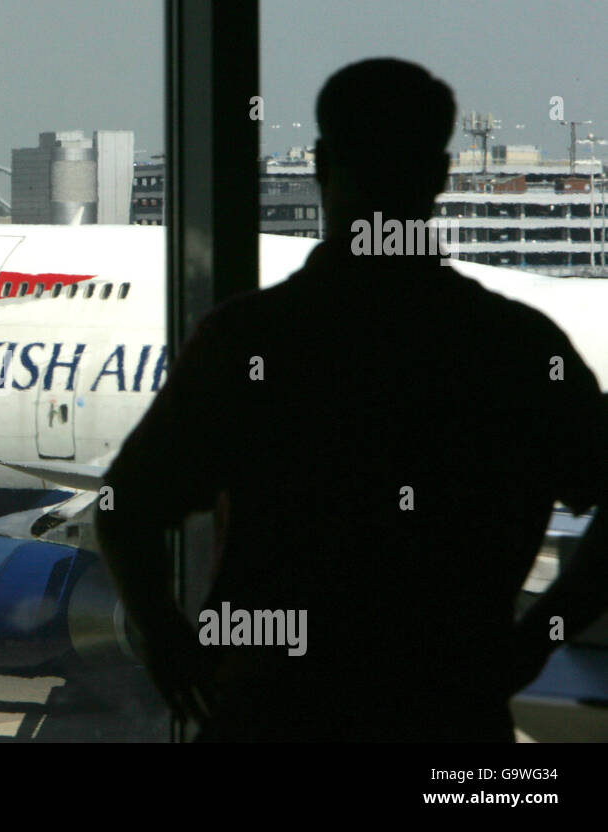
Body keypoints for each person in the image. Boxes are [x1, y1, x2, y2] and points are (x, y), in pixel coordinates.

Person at [96, 58, 608, 741]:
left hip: (272, 712)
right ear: (437, 176)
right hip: (447, 714)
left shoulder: (251, 338)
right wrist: (537, 638)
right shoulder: (514, 347)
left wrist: (166, 642)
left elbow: (124, 507)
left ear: (320, 166)